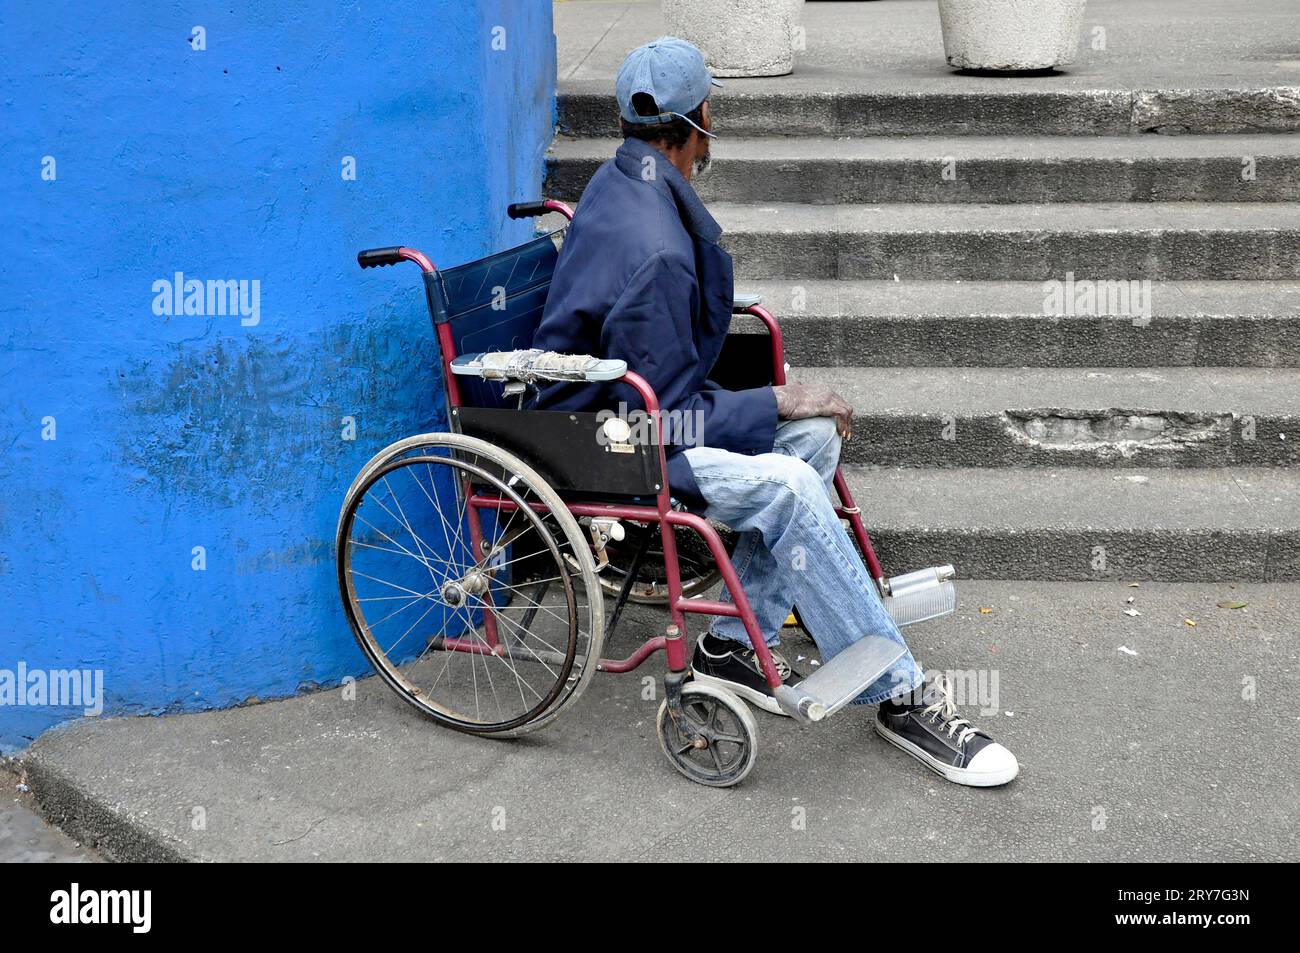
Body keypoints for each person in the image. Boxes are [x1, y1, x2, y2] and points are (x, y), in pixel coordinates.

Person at [531, 37, 1018, 787]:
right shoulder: (655, 248)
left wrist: (785, 408)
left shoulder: (622, 180)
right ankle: (901, 696)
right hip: (611, 439)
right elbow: (669, 418)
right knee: (791, 483)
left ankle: (733, 639)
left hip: (630, 406)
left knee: (814, 439)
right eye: (710, 108)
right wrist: (776, 397)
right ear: (698, 122)